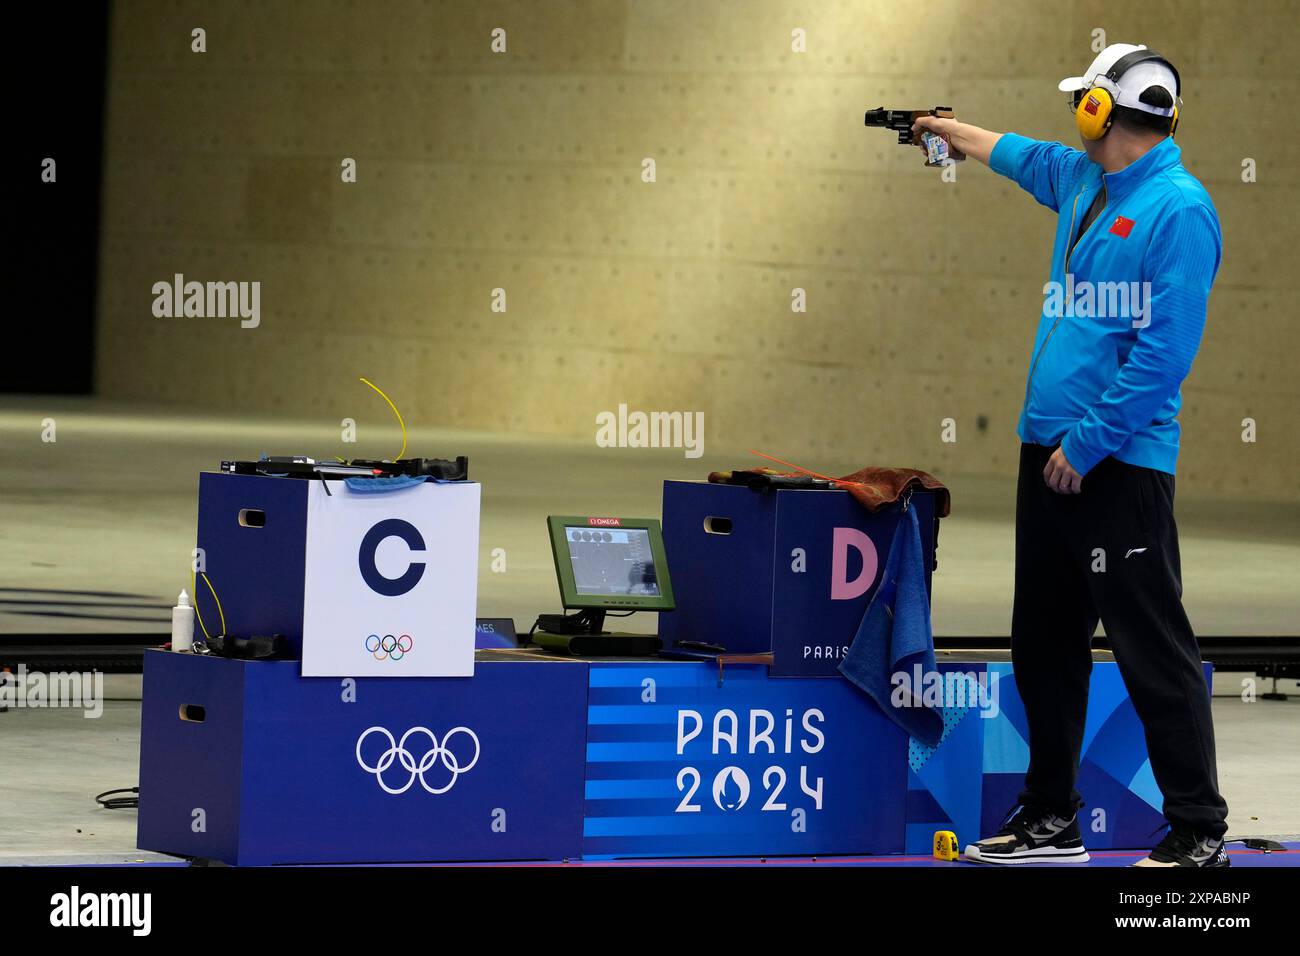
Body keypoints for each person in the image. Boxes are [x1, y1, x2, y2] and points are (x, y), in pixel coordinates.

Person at [913, 43, 1230, 867]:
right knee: (1044, 644)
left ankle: (1198, 831)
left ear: (1105, 112)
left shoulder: (1179, 211)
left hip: (1117, 465)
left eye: (1083, 101)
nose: (1074, 115)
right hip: (1047, 455)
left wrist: (1086, 445)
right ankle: (1049, 816)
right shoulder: (1085, 181)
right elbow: (1021, 155)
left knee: (1151, 644)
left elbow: (1165, 356)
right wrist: (948, 131)